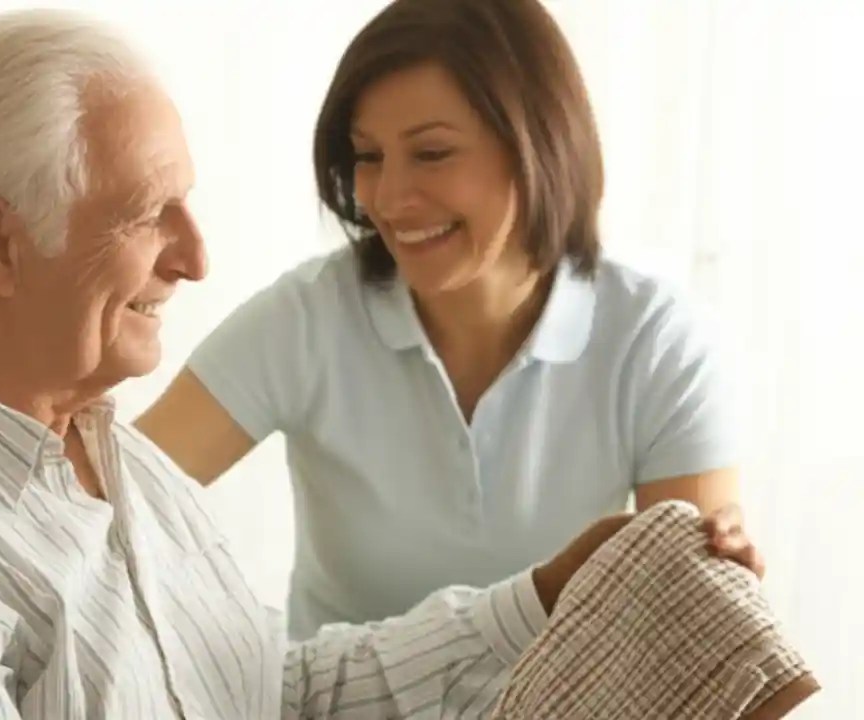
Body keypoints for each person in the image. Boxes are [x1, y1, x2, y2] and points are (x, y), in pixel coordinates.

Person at [0, 9, 763, 719]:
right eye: (143, 214)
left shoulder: (118, 470)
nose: (197, 257)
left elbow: (266, 690)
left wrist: (538, 595)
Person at [136, 0, 750, 641]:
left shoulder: (657, 342)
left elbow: (688, 628)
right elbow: (104, 511)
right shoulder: (308, 320)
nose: (390, 199)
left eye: (431, 153)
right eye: (368, 156)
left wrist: (719, 591)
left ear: (538, 145)